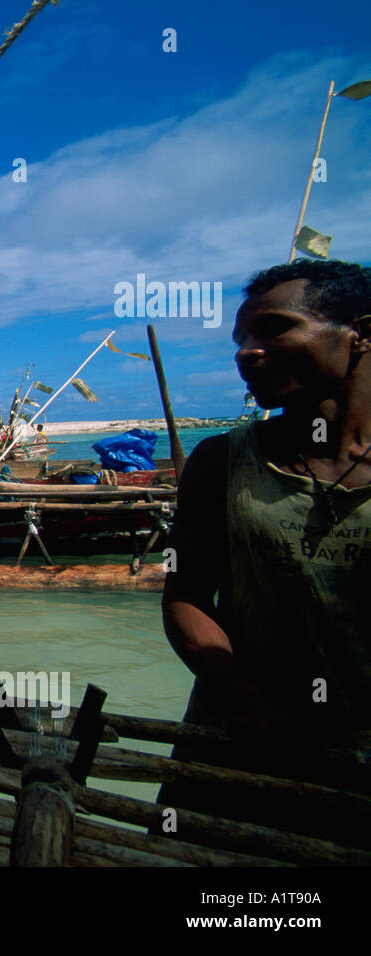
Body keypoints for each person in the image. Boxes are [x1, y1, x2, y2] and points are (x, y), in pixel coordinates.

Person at [160, 260, 371, 825]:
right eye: (241, 339)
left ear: (362, 333)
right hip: (235, 748)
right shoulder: (222, 462)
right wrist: (248, 702)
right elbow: (186, 598)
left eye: (274, 329)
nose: (247, 352)